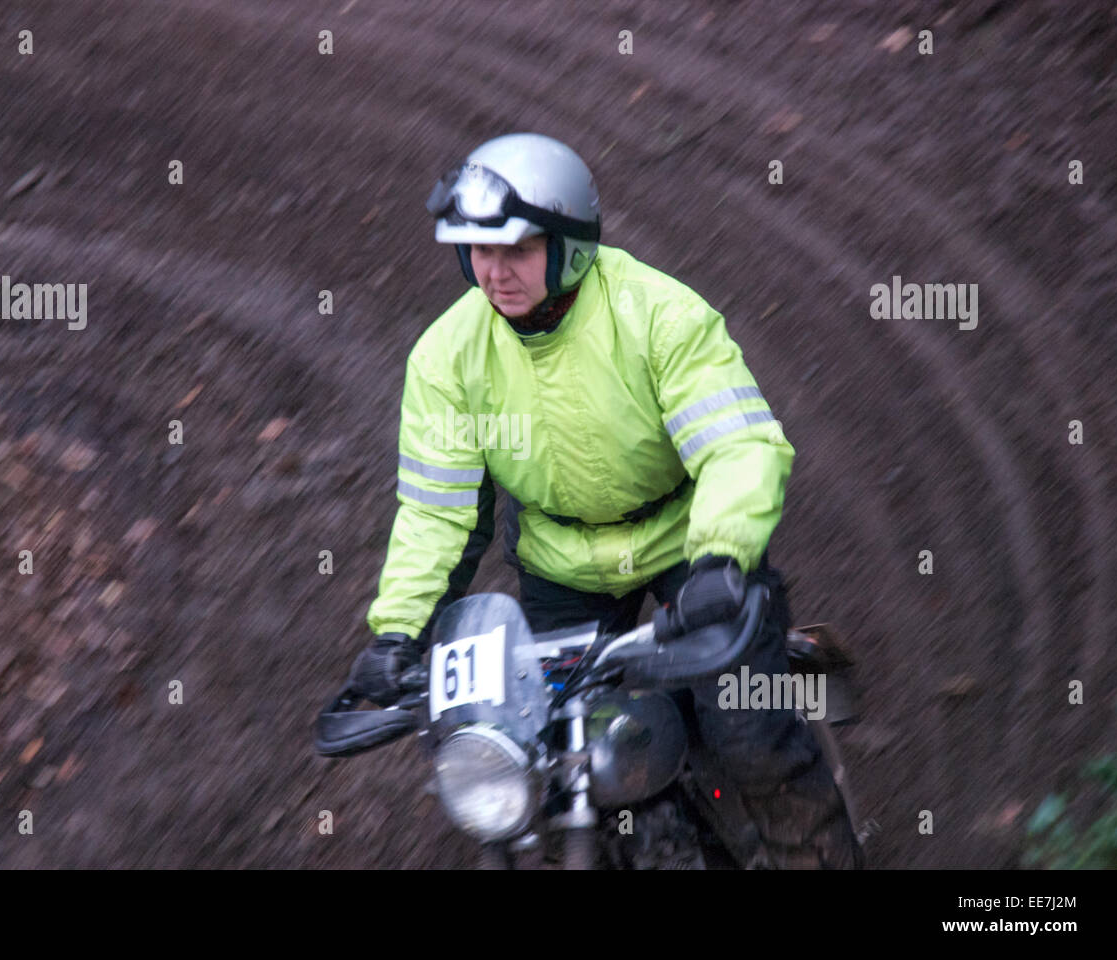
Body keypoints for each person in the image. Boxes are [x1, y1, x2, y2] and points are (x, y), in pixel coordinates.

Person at [346, 132, 860, 868]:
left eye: (516, 249)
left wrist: (720, 557)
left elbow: (739, 446)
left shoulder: (660, 315)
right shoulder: (444, 358)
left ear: (570, 243)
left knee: (749, 734)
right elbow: (438, 511)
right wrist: (399, 632)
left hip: (692, 542)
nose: (494, 272)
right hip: (563, 564)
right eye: (476, 251)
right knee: (560, 770)